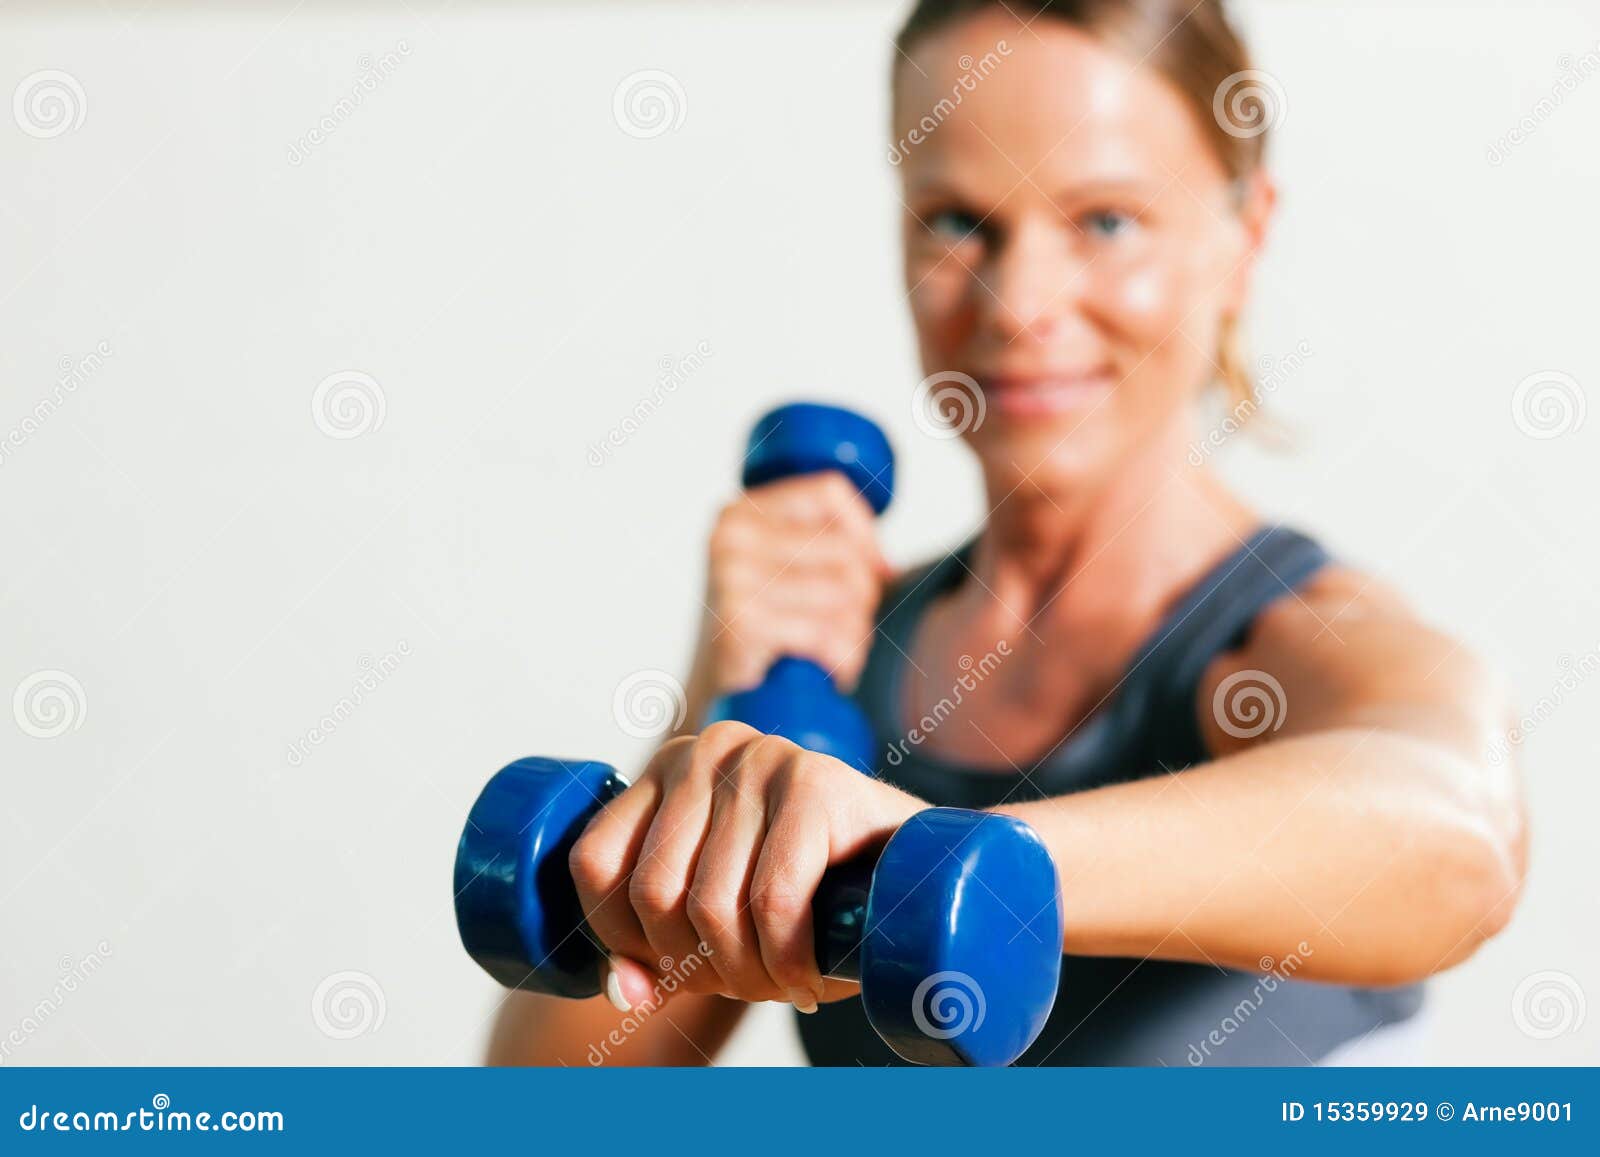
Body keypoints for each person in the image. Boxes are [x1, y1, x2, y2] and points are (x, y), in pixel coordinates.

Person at [489, 0, 1526, 1066]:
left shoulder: (1279, 640)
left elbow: (1458, 836)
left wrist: (967, 864)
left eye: (1105, 220)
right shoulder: (843, 664)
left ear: (1242, 235)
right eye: (955, 221)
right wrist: (716, 696)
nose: (1018, 302)